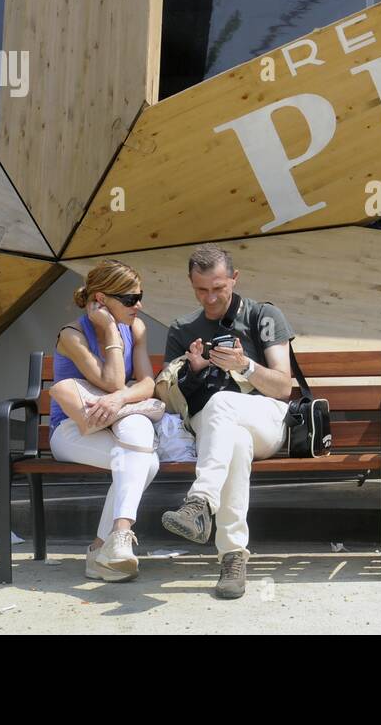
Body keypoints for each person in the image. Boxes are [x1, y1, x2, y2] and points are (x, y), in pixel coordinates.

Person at [159, 244, 295, 600]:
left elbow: (283, 387)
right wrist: (192, 372)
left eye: (218, 287)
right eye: (201, 290)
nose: (211, 297)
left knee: (224, 406)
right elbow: (170, 400)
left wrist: (244, 365)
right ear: (191, 285)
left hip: (266, 417)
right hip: (213, 426)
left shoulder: (263, 315)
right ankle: (233, 557)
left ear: (234, 279)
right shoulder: (182, 328)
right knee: (233, 439)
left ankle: (199, 502)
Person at [48, 259, 165, 582]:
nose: (138, 305)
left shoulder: (137, 328)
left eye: (140, 296)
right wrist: (110, 329)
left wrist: (118, 399)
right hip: (73, 428)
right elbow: (114, 380)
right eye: (129, 299)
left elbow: (146, 384)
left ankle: (111, 542)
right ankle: (104, 548)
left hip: (114, 420)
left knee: (140, 451)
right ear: (100, 300)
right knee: (145, 462)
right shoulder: (72, 336)